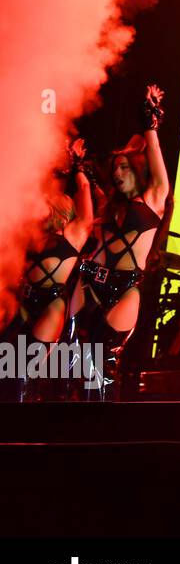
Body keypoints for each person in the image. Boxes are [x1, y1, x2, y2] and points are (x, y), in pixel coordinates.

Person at [75, 87, 169, 396]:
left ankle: (104, 431)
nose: (117, 172)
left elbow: (155, 161)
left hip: (125, 287)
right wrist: (80, 169)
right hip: (88, 282)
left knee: (104, 358)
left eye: (124, 167)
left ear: (138, 170)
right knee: (76, 359)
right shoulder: (109, 205)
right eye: (114, 168)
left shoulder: (153, 197)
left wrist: (150, 124)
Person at [1, 144, 96, 400]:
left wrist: (77, 166)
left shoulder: (72, 235)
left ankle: (20, 426)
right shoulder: (33, 233)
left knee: (23, 370)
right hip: (23, 300)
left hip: (50, 306)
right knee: (5, 368)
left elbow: (86, 201)